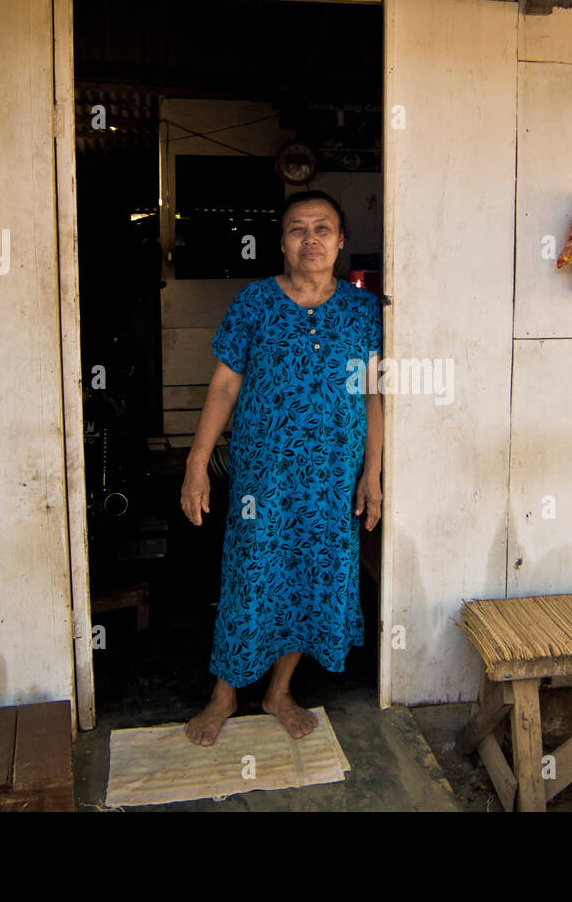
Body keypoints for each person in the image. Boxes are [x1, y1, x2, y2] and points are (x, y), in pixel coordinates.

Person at [180, 190, 383, 746]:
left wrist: (373, 473)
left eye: (323, 228)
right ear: (282, 242)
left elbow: (371, 396)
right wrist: (197, 462)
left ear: (341, 240)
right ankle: (224, 694)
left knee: (314, 578)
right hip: (263, 478)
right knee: (252, 576)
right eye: (298, 228)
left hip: (333, 477)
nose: (311, 238)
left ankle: (278, 691)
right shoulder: (254, 302)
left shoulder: (365, 312)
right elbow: (224, 385)